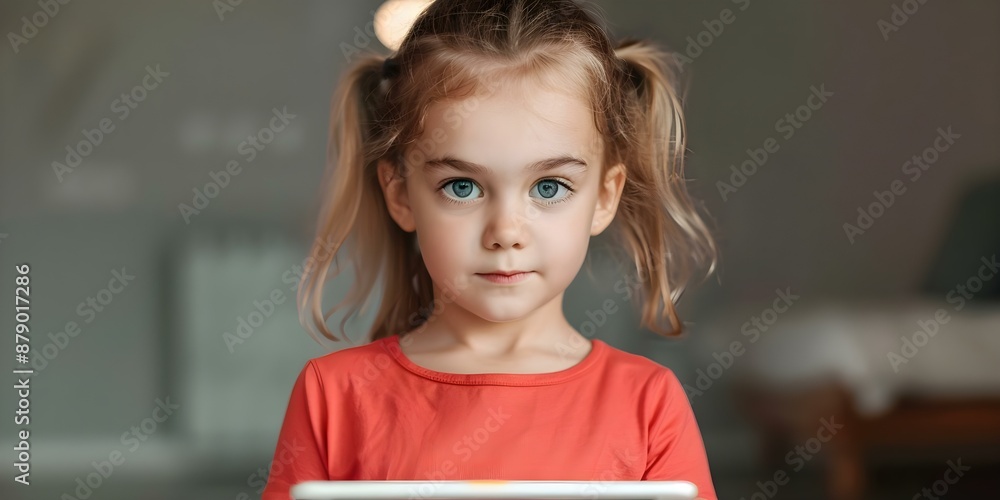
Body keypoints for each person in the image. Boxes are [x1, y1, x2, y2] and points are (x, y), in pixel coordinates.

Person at [261, 1, 720, 499]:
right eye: (462, 187)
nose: (506, 232)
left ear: (604, 197)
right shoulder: (334, 396)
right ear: (400, 195)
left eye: (549, 187)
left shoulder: (649, 403)